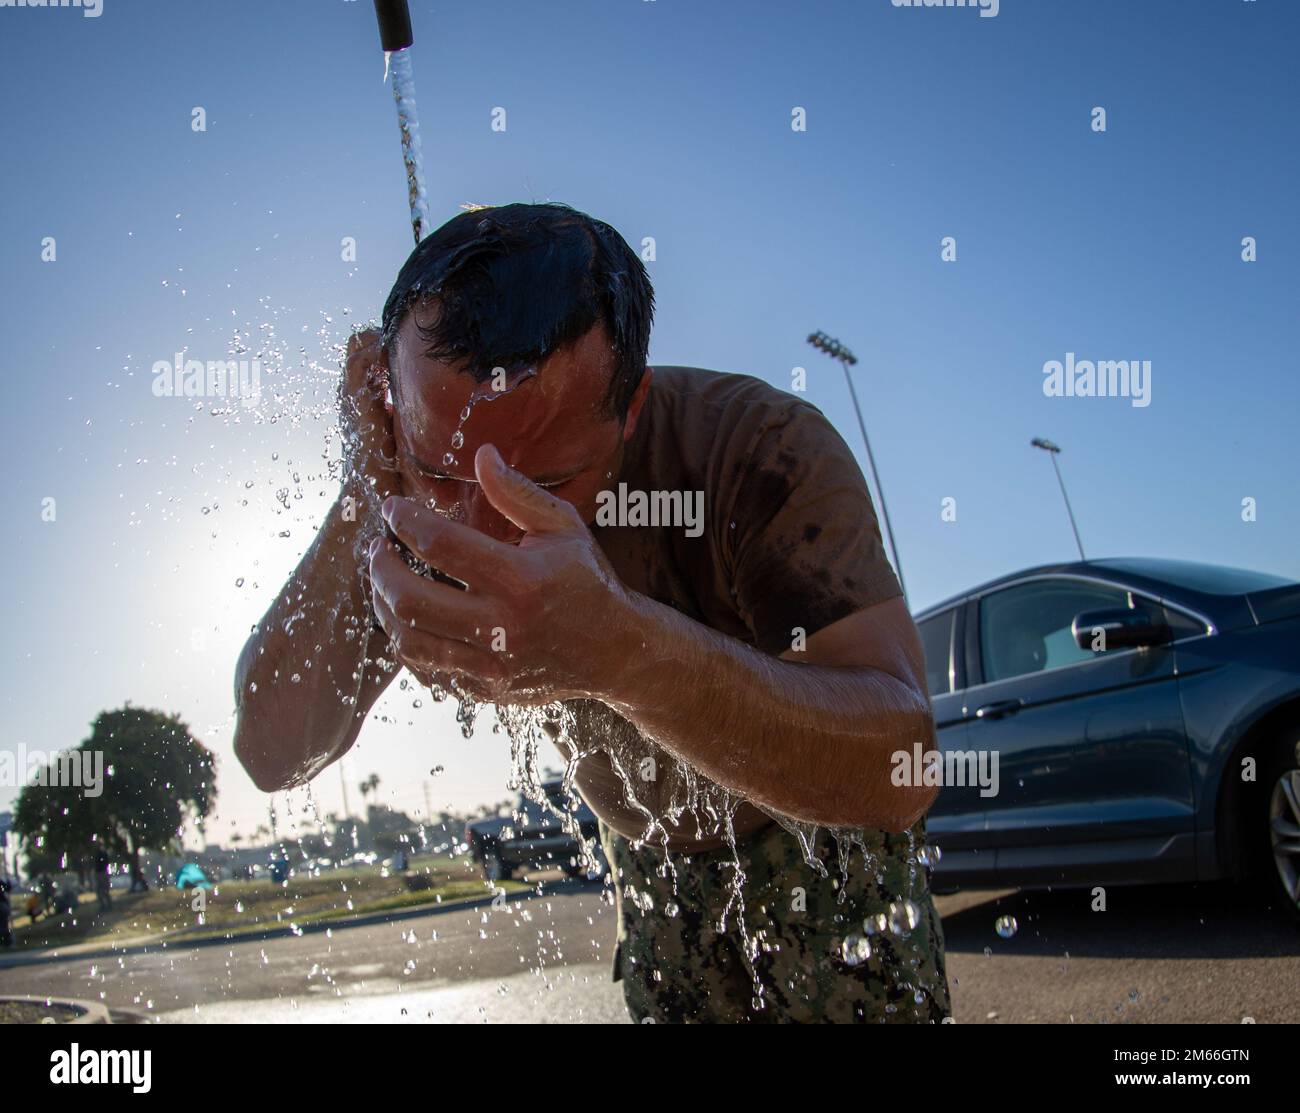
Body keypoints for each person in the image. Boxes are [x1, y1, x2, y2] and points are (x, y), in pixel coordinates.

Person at [233, 202, 950, 1023]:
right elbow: (272, 750)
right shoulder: (401, 485)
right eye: (443, 471)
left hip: (821, 846)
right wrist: (371, 478)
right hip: (651, 873)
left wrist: (624, 654)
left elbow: (905, 768)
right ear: (393, 402)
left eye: (539, 485)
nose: (480, 529)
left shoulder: (755, 446)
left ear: (632, 408)